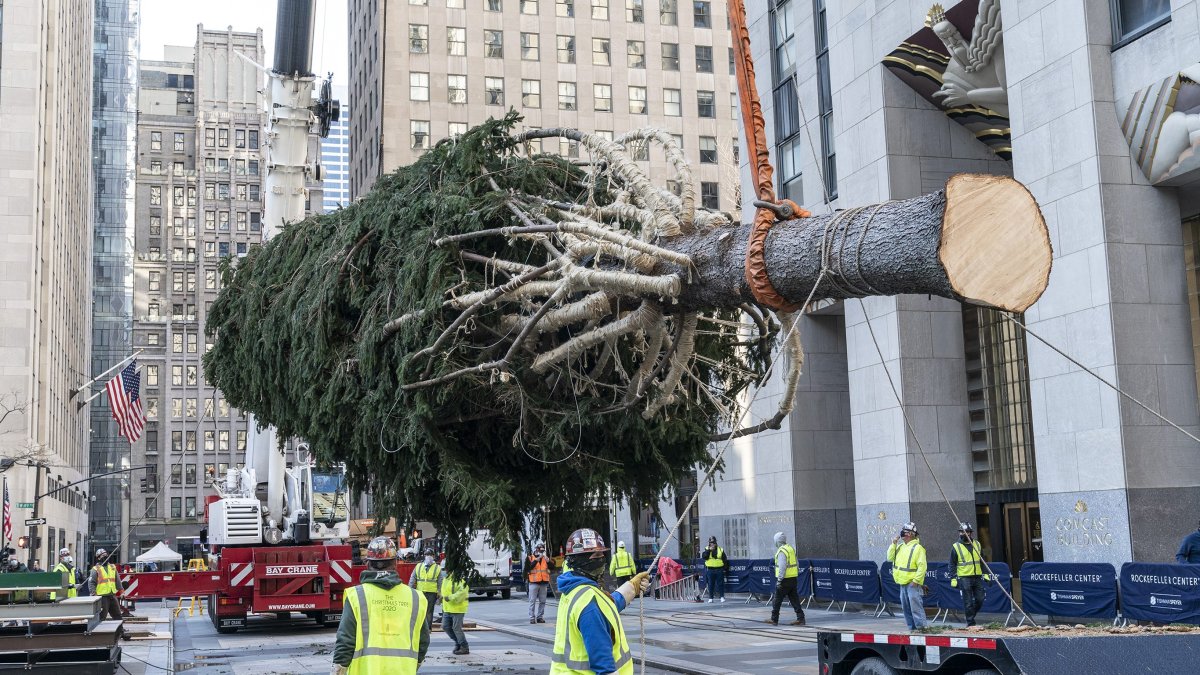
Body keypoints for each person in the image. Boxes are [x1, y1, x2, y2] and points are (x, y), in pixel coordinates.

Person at [550, 527, 649, 674]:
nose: (602, 559)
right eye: (597, 555)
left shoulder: (575, 590)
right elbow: (602, 662)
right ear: (581, 559)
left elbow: (607, 605)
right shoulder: (589, 603)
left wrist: (631, 587)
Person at [332, 536, 430, 675]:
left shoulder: (357, 596)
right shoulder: (415, 598)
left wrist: (337, 671)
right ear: (395, 563)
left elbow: (345, 641)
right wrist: (414, 665)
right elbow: (423, 642)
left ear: (368, 564)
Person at [887, 522, 930, 632]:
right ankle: (912, 629)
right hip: (902, 583)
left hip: (912, 584)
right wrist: (893, 544)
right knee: (906, 608)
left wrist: (916, 581)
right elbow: (889, 558)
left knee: (916, 607)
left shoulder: (918, 548)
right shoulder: (900, 546)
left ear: (910, 534)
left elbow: (922, 566)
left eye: (904, 531)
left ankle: (922, 629)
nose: (902, 533)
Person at [950, 522, 989, 627]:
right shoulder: (956, 547)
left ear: (971, 533)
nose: (964, 534)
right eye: (962, 532)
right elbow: (952, 564)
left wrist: (985, 574)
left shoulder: (977, 544)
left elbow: (982, 561)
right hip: (964, 578)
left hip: (977, 577)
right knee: (968, 602)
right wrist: (953, 578)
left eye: (966, 532)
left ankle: (970, 615)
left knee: (980, 599)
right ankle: (970, 623)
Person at [767, 532, 805, 626]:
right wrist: (795, 574)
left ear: (777, 541)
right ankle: (801, 618)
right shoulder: (790, 549)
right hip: (793, 579)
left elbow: (782, 567)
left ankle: (774, 619)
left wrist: (779, 580)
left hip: (784, 580)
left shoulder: (781, 551)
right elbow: (797, 563)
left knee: (777, 599)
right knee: (794, 599)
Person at [87, 548, 124, 621]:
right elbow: (91, 583)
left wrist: (122, 591)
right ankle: (99, 631)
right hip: (102, 597)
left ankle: (120, 631)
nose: (105, 556)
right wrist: (94, 594)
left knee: (117, 615)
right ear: (98, 558)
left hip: (112, 595)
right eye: (102, 555)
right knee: (102, 616)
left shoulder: (112, 567)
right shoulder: (95, 569)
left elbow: (117, 580)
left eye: (105, 554)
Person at [408, 548, 441, 631]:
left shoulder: (437, 568)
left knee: (429, 611)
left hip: (431, 593)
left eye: (430, 555)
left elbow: (440, 581)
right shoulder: (418, 566)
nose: (428, 556)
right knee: (420, 610)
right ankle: (420, 628)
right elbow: (413, 578)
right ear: (424, 556)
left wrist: (440, 593)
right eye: (427, 555)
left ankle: (428, 629)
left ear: (433, 556)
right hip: (420, 592)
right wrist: (409, 589)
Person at [440, 572, 471, 655]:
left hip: (458, 609)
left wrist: (450, 597)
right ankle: (458, 642)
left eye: (444, 569)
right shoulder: (445, 579)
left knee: (456, 628)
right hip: (447, 608)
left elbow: (463, 592)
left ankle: (464, 647)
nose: (443, 571)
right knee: (445, 626)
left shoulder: (459, 579)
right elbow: (445, 592)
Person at [526, 541, 553, 624]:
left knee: (543, 601)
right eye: (540, 551)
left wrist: (548, 561)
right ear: (536, 550)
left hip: (543, 582)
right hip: (533, 582)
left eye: (542, 551)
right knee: (532, 601)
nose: (541, 553)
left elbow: (552, 568)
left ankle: (540, 617)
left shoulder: (545, 558)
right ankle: (531, 618)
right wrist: (536, 560)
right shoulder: (530, 558)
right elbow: (527, 568)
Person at [701, 536, 728, 603]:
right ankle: (710, 598)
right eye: (711, 543)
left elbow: (725, 559)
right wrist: (709, 550)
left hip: (719, 569)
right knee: (710, 584)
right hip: (710, 569)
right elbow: (704, 557)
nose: (712, 544)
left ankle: (722, 597)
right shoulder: (707, 549)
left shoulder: (720, 549)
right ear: (709, 543)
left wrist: (725, 569)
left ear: (715, 543)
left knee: (720, 584)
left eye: (713, 542)